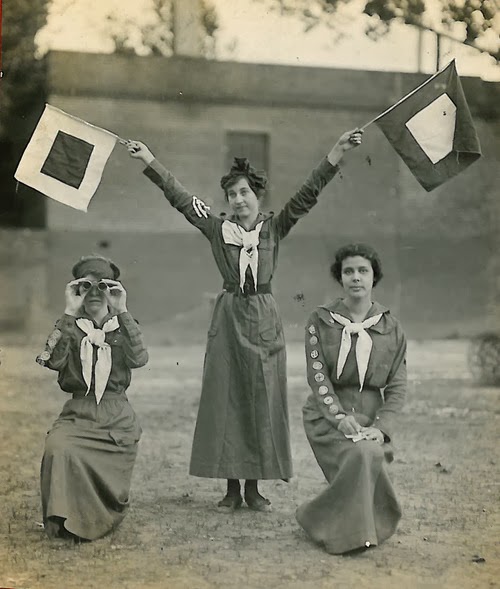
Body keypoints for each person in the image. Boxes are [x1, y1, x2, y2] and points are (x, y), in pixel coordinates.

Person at [126, 130, 363, 511]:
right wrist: (149, 160)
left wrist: (336, 151)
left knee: (261, 398)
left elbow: (308, 193)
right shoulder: (218, 229)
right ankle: (231, 488)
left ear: (257, 196)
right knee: (227, 399)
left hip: (264, 318)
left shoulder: (275, 227)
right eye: (232, 195)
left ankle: (254, 487)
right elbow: (180, 198)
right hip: (229, 317)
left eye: (244, 194)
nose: (238, 201)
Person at [296, 243, 407, 554]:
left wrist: (383, 427)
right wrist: (339, 417)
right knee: (361, 456)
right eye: (348, 271)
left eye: (363, 271)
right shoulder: (320, 321)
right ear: (339, 277)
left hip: (370, 418)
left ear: (374, 277)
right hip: (328, 414)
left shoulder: (391, 327)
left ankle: (317, 515)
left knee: (369, 452)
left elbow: (398, 385)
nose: (355, 277)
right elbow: (317, 377)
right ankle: (352, 534)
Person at [37, 255, 148, 541]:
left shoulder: (123, 324)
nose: (95, 295)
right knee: (57, 448)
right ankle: (64, 517)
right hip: (78, 412)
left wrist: (122, 309)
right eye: (87, 287)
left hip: (116, 414)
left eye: (103, 287)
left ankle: (98, 514)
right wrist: (69, 311)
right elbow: (51, 360)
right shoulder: (70, 326)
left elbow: (139, 358)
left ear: (113, 292)